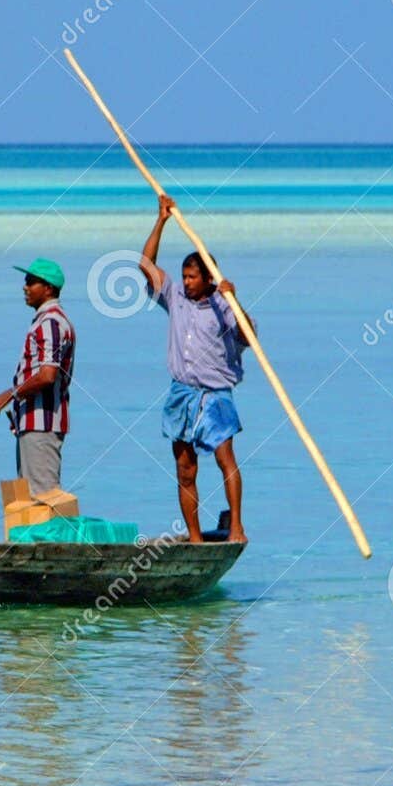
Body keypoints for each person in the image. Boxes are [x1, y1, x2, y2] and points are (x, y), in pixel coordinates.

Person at [138, 194, 253, 544]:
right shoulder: (174, 298)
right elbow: (144, 263)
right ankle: (194, 536)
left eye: (192, 277)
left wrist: (234, 297)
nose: (186, 282)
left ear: (207, 279)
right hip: (181, 394)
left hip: (216, 396)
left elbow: (247, 337)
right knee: (185, 469)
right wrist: (161, 220)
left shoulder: (223, 305)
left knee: (225, 459)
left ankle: (236, 528)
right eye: (184, 276)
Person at [0, 257, 74, 494]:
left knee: (43, 496)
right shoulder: (45, 321)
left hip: (42, 422)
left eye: (31, 282)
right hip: (32, 421)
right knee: (31, 494)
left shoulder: (51, 323)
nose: (25, 287)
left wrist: (11, 394)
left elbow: (47, 375)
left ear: (48, 288)